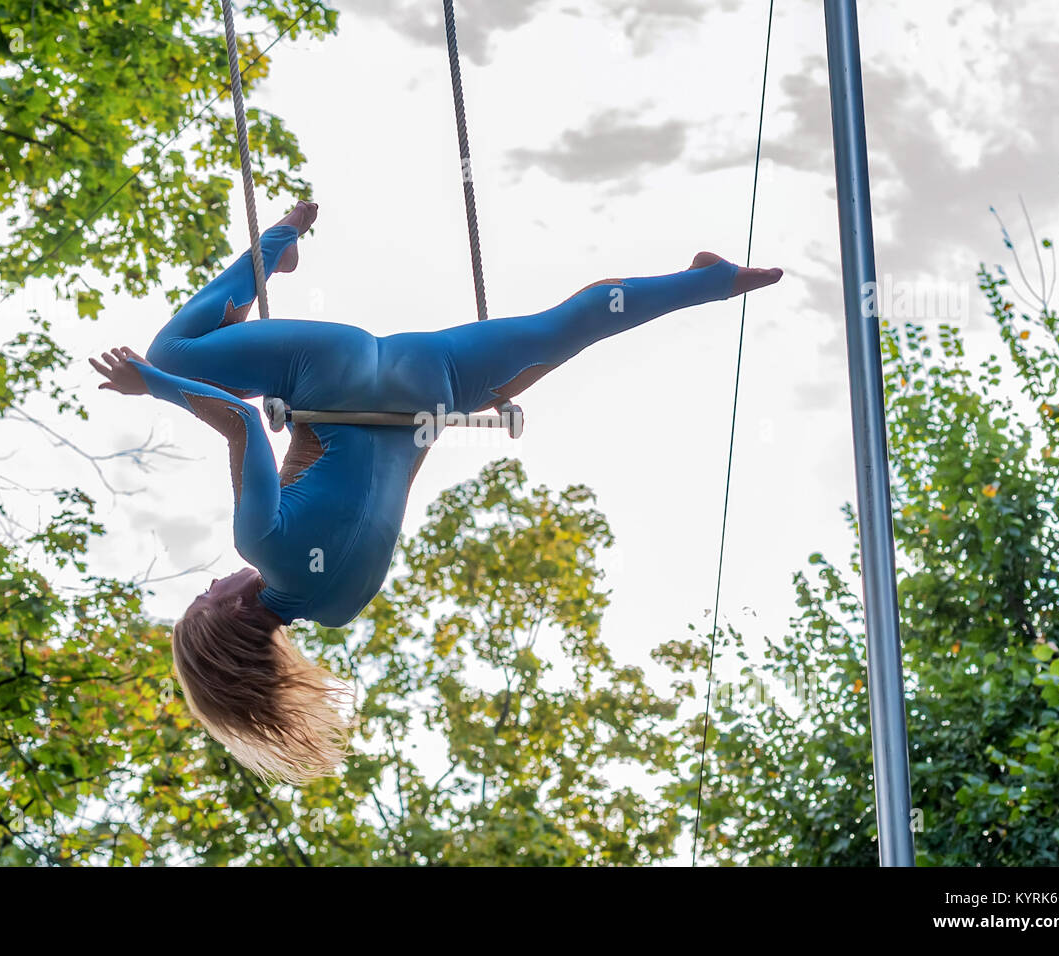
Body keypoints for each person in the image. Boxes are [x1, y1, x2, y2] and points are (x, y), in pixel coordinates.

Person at [91, 200, 782, 782]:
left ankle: (710, 283)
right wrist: (146, 383)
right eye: (206, 596)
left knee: (565, 329)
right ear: (231, 615)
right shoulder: (259, 543)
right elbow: (242, 423)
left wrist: (485, 398)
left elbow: (363, 486)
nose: (210, 581)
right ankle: (276, 245)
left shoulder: (344, 602)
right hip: (337, 367)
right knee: (175, 353)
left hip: (428, 387)